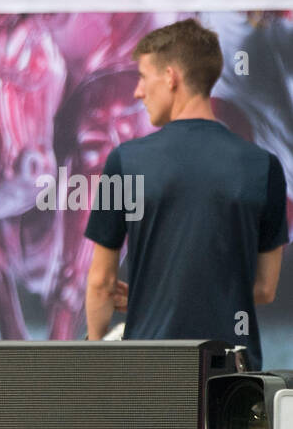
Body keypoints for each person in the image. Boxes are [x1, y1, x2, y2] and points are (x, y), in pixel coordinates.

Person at [85, 18, 287, 368]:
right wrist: (156, 296)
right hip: (233, 376)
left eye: (143, 77)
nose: (137, 91)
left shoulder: (125, 161)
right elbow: (265, 288)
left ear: (171, 77)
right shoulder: (264, 166)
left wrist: (92, 353)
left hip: (149, 373)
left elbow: (102, 282)